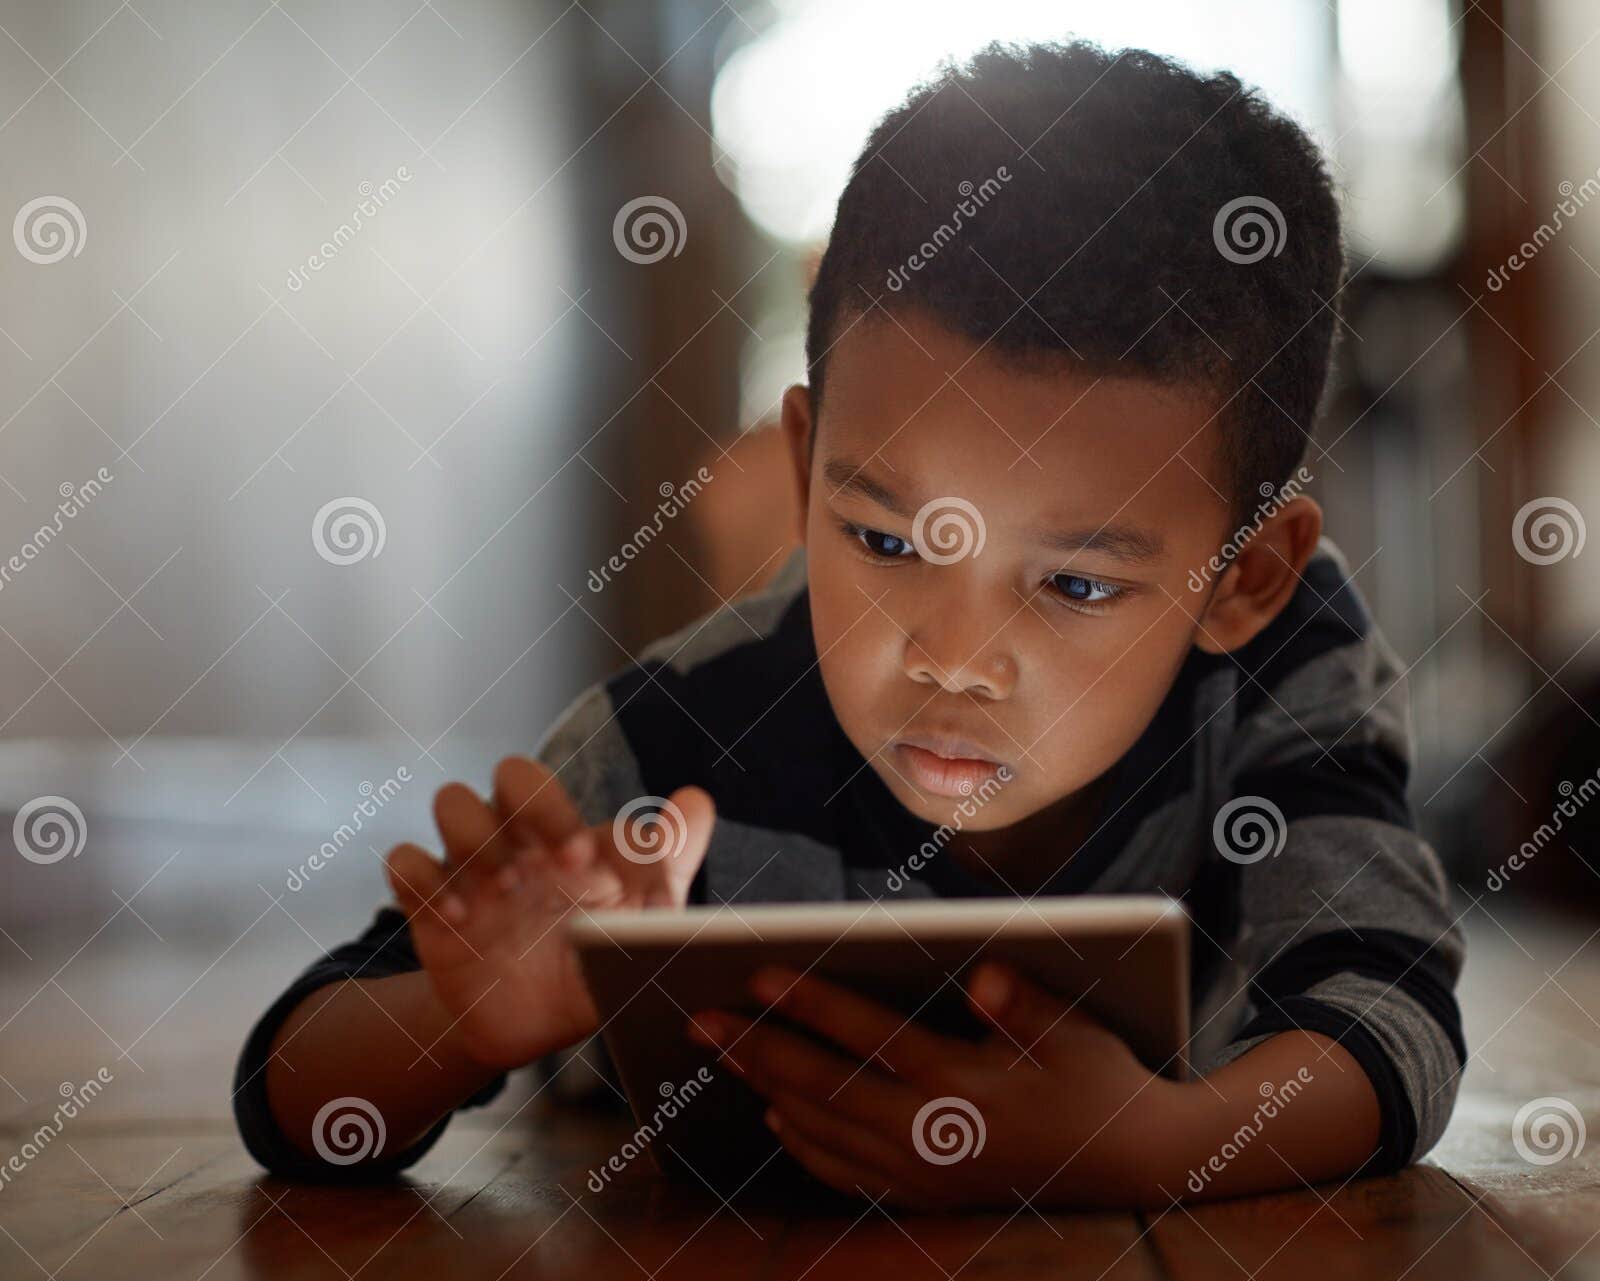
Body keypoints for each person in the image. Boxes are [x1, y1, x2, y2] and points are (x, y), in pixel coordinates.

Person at [233, 39, 1465, 1210]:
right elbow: (291, 1093)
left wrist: (1150, 1148)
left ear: (1242, 578)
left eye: (1076, 585)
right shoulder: (676, 742)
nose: (953, 658)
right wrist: (460, 1025)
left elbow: (1386, 1014)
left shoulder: (1280, 663)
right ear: (810, 461)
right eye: (886, 543)